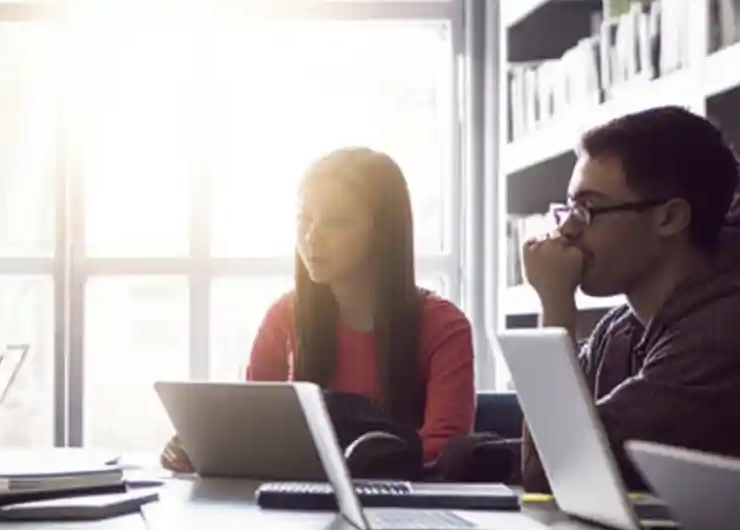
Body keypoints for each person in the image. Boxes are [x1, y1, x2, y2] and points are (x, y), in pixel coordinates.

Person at [162, 148, 474, 472]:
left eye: (336, 222)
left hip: (404, 509)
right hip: (299, 511)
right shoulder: (283, 317)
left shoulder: (443, 327)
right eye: (305, 218)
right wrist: (200, 448)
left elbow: (442, 452)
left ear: (383, 233)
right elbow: (250, 434)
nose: (312, 237)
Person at [520, 106, 740, 492]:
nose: (566, 229)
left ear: (669, 218)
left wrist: (555, 306)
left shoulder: (722, 333)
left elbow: (554, 472)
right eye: (569, 208)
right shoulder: (618, 330)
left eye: (589, 209)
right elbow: (543, 454)